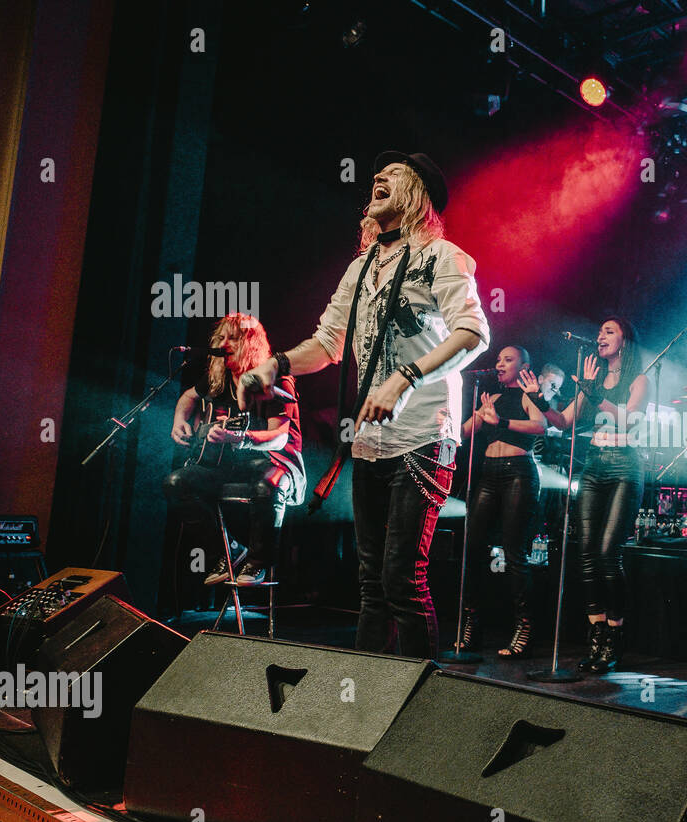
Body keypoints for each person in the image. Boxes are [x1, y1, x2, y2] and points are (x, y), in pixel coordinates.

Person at [238, 151, 488, 659]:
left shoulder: (444, 257)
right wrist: (276, 364)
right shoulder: (361, 267)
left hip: (423, 433)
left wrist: (406, 378)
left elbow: (474, 333)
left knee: (401, 575)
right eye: (378, 173)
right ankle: (369, 703)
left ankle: (419, 705)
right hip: (370, 441)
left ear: (417, 196)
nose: (379, 177)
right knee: (371, 581)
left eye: (394, 175)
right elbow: (327, 342)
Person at [522, 317, 647, 673]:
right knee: (588, 552)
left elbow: (630, 420)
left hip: (625, 465)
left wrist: (597, 395)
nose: (600, 336)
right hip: (593, 465)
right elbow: (561, 422)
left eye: (610, 331)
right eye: (600, 331)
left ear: (625, 341)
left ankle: (615, 634)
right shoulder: (592, 383)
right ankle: (596, 636)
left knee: (609, 553)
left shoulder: (638, 380)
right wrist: (537, 400)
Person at [166, 312, 305, 587]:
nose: (224, 343)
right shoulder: (218, 376)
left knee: (268, 485)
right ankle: (227, 551)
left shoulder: (274, 378)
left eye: (234, 338)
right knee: (176, 482)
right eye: (221, 337)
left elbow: (279, 438)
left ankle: (258, 562)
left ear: (251, 343)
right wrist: (179, 421)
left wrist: (240, 439)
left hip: (273, 463)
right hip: (226, 465)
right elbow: (188, 397)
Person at [460, 346, 546, 656]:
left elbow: (542, 426)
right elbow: (464, 433)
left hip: (518, 475)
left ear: (523, 365)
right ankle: (471, 624)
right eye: (498, 359)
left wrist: (500, 423)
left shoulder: (526, 396)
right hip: (488, 474)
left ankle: (524, 626)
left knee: (513, 551)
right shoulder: (491, 400)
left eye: (508, 360)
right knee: (473, 548)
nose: (500, 363)